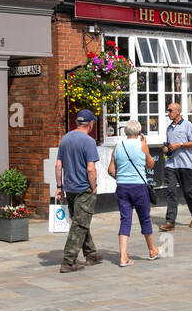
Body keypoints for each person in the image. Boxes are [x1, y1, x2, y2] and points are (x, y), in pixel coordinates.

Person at [107, 120, 161, 267]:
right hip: (139, 187)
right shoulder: (141, 146)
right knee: (145, 218)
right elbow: (150, 164)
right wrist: (145, 145)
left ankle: (123, 255)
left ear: (125, 132)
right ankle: (151, 250)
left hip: (122, 187)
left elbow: (111, 170)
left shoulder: (118, 146)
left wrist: (122, 178)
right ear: (139, 133)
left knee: (125, 220)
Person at [55, 109, 102, 273]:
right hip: (84, 188)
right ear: (90, 124)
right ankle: (68, 261)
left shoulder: (65, 138)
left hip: (70, 187)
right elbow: (91, 169)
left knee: (80, 220)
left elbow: (58, 165)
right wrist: (94, 186)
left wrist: (59, 187)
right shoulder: (88, 141)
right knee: (80, 224)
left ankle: (91, 254)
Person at [160, 102, 192, 231]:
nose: (168, 113)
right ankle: (170, 221)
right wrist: (165, 148)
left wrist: (180, 145)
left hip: (185, 164)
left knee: (188, 191)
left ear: (178, 111)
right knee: (171, 192)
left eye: (170, 110)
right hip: (171, 164)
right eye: (168, 110)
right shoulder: (169, 128)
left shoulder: (187, 125)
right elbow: (167, 144)